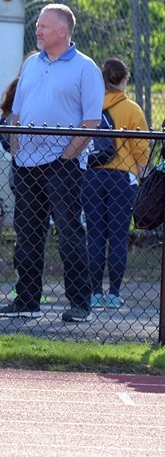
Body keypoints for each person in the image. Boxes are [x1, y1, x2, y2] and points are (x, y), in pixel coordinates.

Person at [0, 4, 104, 322]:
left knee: (69, 233)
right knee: (27, 233)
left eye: (44, 26)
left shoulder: (85, 68)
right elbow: (16, 112)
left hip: (62, 165)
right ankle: (27, 301)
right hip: (26, 164)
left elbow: (91, 121)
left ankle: (80, 303)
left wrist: (68, 155)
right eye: (38, 25)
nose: (37, 30)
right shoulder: (31, 63)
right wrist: (16, 146)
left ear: (63, 31)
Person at [83, 58, 150, 310]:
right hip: (122, 177)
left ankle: (94, 292)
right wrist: (144, 177)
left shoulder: (90, 105)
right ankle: (114, 293)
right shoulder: (131, 109)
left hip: (91, 176)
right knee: (118, 237)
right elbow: (141, 150)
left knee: (95, 235)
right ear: (124, 79)